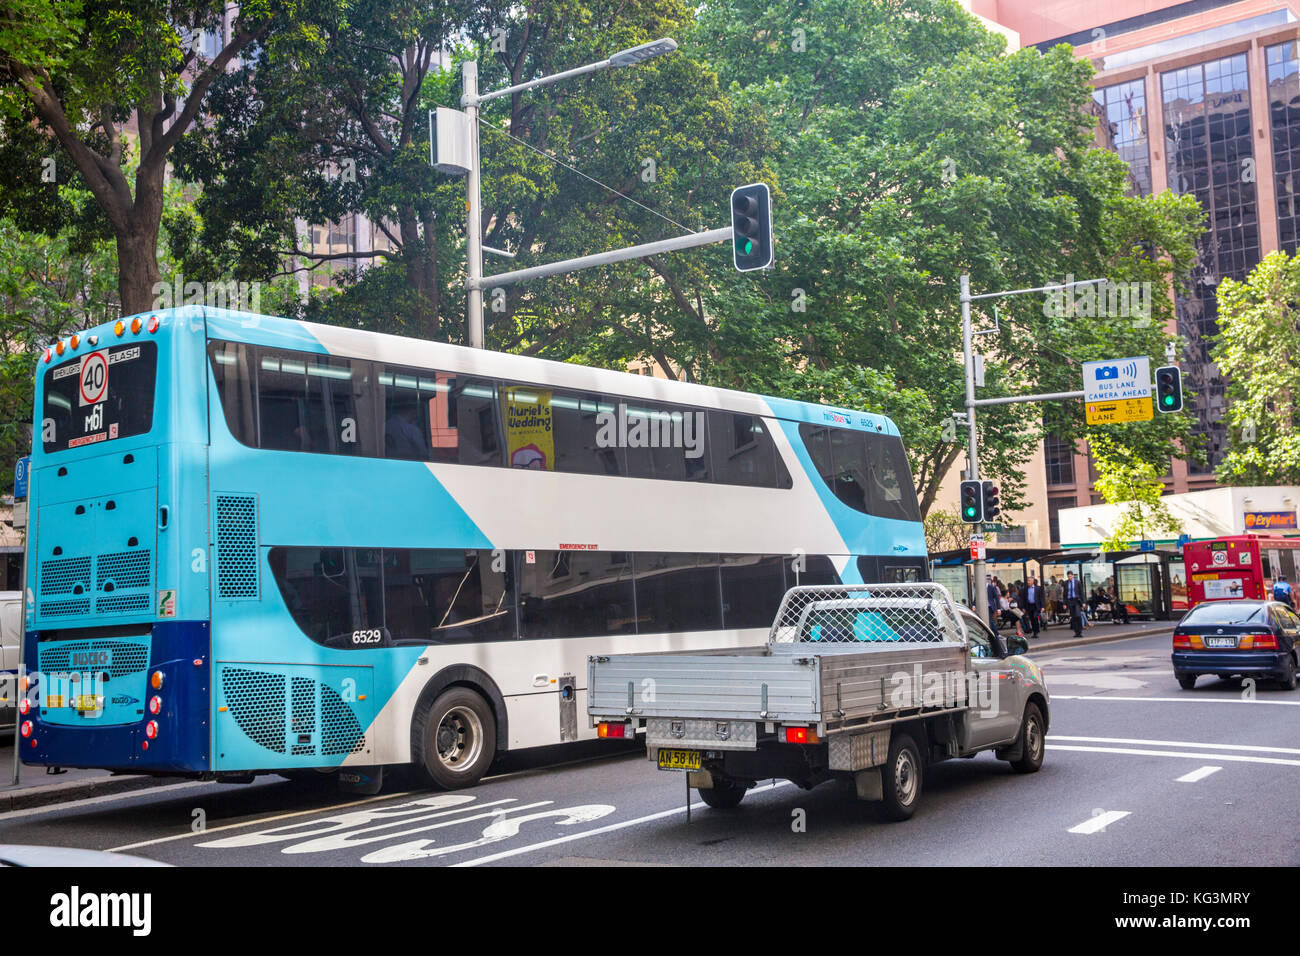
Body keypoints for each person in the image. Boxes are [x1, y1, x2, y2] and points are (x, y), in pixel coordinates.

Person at [1064, 570, 1084, 638]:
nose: (1069, 577)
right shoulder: (1066, 583)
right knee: (1073, 617)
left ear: (1073, 576)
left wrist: (1083, 602)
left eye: (1070, 576)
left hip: (1076, 600)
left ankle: (1080, 631)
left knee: (1078, 615)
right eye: (1068, 576)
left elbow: (1081, 593)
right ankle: (1076, 632)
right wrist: (1064, 603)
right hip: (1070, 601)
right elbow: (1064, 594)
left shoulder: (1077, 582)